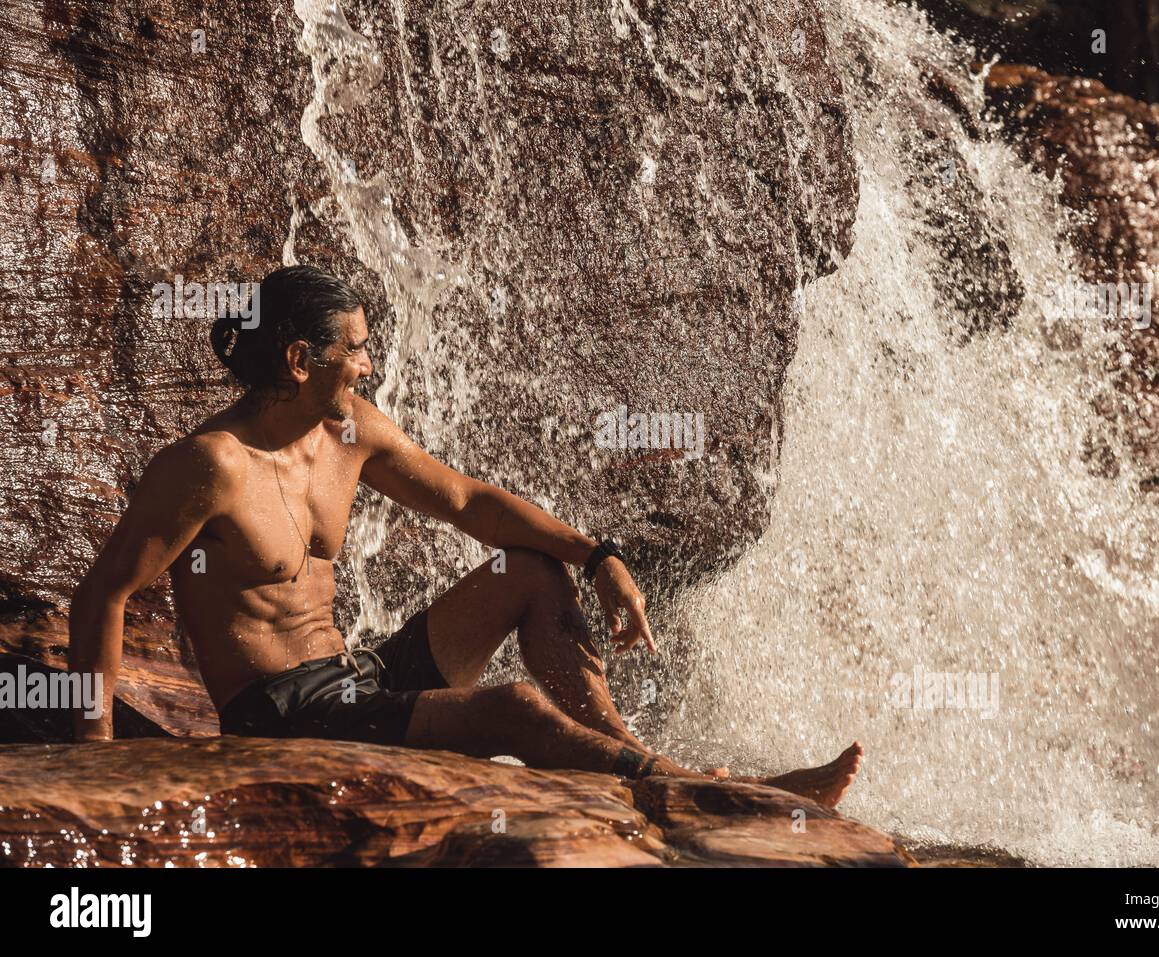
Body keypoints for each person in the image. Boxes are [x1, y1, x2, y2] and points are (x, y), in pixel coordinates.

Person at [68, 265, 862, 807]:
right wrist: (95, 760)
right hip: (281, 712)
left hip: (355, 679)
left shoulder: (350, 432)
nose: (370, 365)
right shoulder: (210, 465)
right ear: (298, 358)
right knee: (513, 706)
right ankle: (710, 794)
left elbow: (470, 500)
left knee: (530, 571)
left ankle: (636, 758)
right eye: (357, 348)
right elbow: (103, 593)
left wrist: (599, 555)